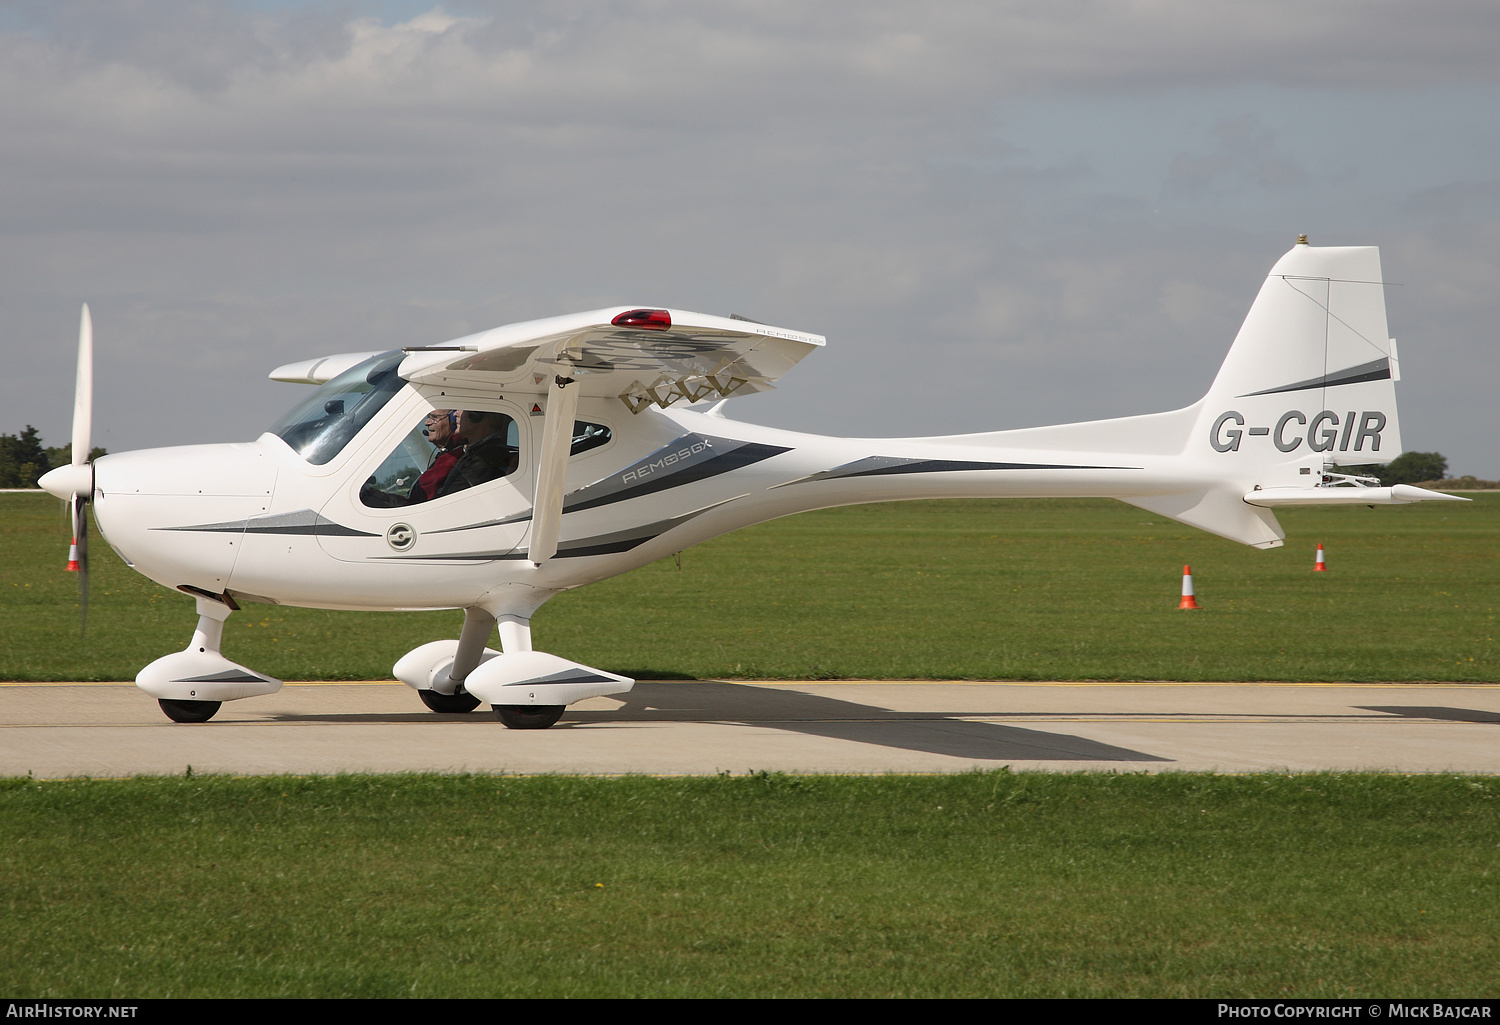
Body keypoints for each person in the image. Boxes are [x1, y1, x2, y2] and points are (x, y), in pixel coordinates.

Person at [360, 409, 465, 507]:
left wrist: (371, 495)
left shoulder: (452, 458)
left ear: (453, 421)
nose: (427, 423)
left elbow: (414, 504)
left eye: (434, 417)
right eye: (428, 417)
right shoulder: (448, 455)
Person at [435, 410, 517, 498]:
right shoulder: (477, 453)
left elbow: (453, 497)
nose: (455, 414)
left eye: (461, 409)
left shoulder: (486, 458)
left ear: (476, 415)